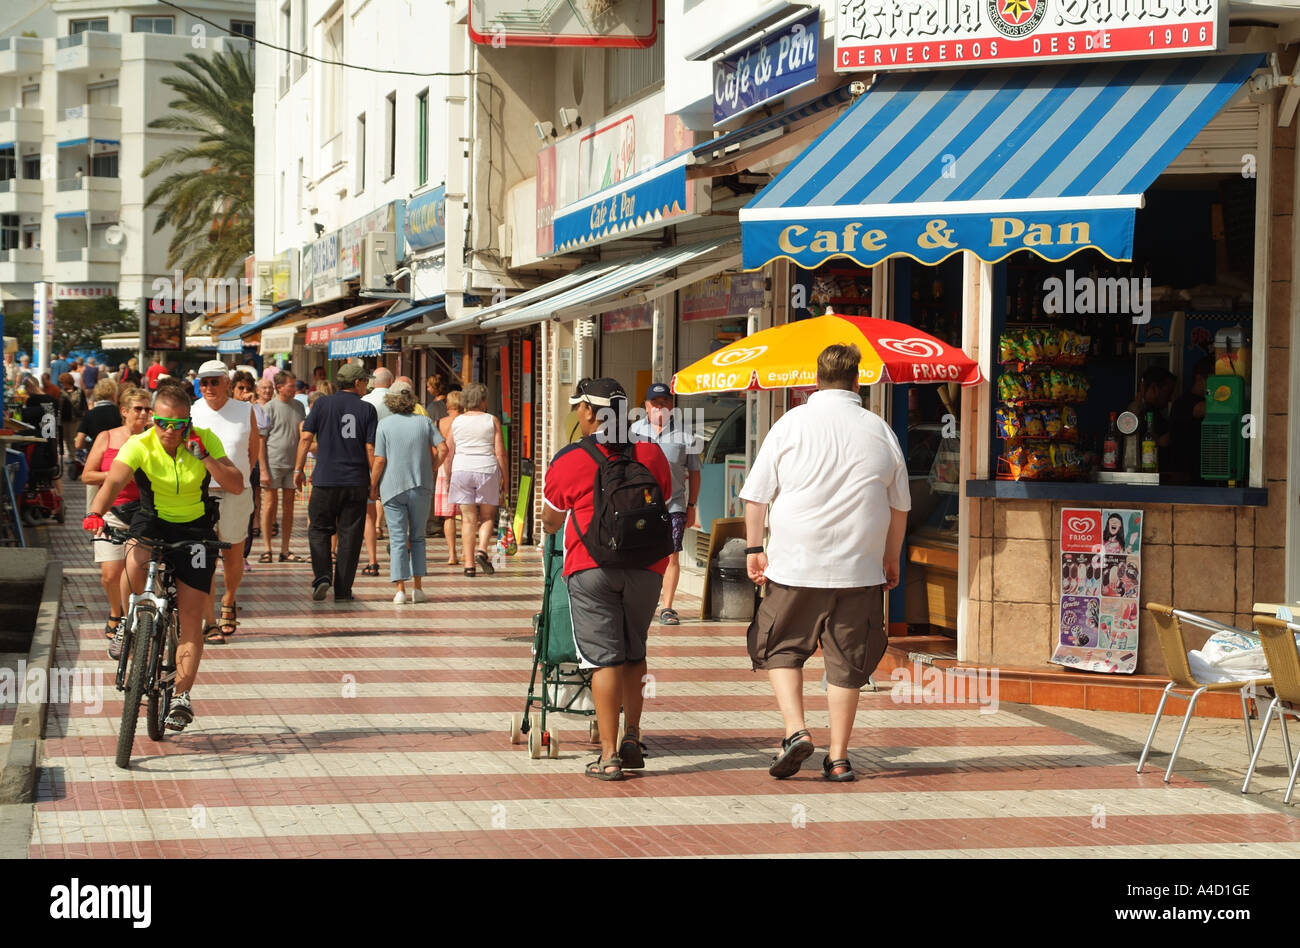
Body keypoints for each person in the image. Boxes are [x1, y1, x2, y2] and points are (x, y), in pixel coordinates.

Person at [741, 344, 910, 783]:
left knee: (779, 645)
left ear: (815, 381)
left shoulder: (791, 424)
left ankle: (796, 730)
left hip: (795, 562)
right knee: (848, 661)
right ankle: (838, 759)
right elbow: (900, 506)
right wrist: (891, 560)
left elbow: (756, 494)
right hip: (860, 567)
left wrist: (754, 548)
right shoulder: (880, 430)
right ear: (858, 382)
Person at [82, 382, 244, 731]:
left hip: (196, 529)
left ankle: (183, 696)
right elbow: (112, 482)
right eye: (162, 423)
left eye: (178, 424)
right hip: (152, 520)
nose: (170, 432)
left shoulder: (205, 439)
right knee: (133, 557)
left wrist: (205, 457)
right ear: (153, 419)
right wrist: (96, 513)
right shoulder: (139, 444)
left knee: (190, 618)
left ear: (188, 420)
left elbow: (236, 484)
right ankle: (129, 621)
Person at [540, 378, 673, 780]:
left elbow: (549, 519)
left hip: (591, 568)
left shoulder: (570, 458)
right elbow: (662, 499)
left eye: (579, 407)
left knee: (603, 659)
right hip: (648, 569)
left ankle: (609, 754)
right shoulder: (650, 452)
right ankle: (633, 735)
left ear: (588, 412)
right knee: (635, 651)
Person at [191, 360, 262, 644]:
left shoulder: (245, 410)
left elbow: (252, 451)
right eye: (203, 382)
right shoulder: (193, 410)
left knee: (233, 553)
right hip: (201, 492)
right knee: (205, 557)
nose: (208, 387)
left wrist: (240, 478)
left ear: (226, 383)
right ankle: (210, 621)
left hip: (235, 491)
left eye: (213, 381)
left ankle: (229, 600)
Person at [295, 361, 377, 602]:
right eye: (365, 382)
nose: (366, 387)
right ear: (357, 383)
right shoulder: (367, 409)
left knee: (319, 528)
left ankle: (322, 576)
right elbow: (370, 447)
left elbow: (305, 438)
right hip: (355, 481)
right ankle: (343, 590)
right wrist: (375, 479)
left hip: (325, 479)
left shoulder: (321, 403)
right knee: (350, 535)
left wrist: (298, 469)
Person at [81, 386, 152, 644]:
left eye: (148, 409)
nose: (144, 414)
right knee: (110, 574)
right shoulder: (107, 437)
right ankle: (116, 612)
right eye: (138, 409)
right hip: (112, 510)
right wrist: (118, 475)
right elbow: (87, 475)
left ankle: (132, 620)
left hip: (145, 512)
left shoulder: (154, 439)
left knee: (135, 571)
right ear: (124, 412)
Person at [629, 381, 701, 626]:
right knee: (641, 554)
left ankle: (667, 607)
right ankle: (641, 601)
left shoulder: (687, 435)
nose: (660, 408)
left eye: (665, 403)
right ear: (646, 407)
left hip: (675, 505)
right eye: (654, 403)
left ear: (672, 406)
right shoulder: (633, 432)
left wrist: (692, 505)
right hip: (641, 504)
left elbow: (695, 472)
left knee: (671, 556)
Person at [370, 380, 444, 603]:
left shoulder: (384, 425)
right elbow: (444, 448)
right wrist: (431, 467)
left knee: (398, 538)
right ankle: (418, 588)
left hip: (392, 488)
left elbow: (380, 459)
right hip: (420, 485)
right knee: (418, 537)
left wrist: (373, 485)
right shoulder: (425, 422)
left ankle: (400, 590)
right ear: (412, 399)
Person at [445, 381, 507, 577]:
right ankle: (482, 550)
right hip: (486, 469)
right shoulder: (491, 420)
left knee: (467, 520)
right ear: (482, 400)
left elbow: (448, 452)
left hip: (461, 469)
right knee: (488, 516)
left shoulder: (456, 422)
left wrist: (448, 477)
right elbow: (500, 453)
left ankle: (469, 565)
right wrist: (505, 478)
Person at [258, 370, 306, 563]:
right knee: (270, 504)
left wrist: (300, 466)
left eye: (295, 385)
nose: (295, 389)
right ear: (280, 387)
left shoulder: (299, 406)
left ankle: (285, 549)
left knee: (289, 506)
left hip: (293, 464)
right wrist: (262, 468)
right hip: (273, 462)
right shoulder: (268, 408)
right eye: (291, 386)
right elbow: (261, 440)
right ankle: (267, 548)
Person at [359, 366, 394, 576]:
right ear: (391, 382)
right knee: (397, 510)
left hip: (369, 461)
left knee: (369, 515)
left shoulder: (364, 402)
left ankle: (372, 561)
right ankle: (401, 550)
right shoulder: (399, 401)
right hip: (396, 463)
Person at [432, 389, 462, 561]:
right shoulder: (466, 421)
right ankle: (467, 552)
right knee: (467, 514)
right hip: (464, 465)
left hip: (444, 467)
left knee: (448, 515)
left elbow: (435, 447)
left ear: (448, 404)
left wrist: (434, 465)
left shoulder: (439, 423)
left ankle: (452, 554)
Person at [58, 372, 87, 460]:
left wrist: (85, 418)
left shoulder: (79, 391)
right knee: (66, 438)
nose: (61, 384)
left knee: (74, 438)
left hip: (76, 419)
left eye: (62, 382)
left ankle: (75, 456)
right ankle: (71, 455)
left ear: (67, 382)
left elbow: (84, 405)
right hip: (65, 419)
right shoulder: (61, 392)